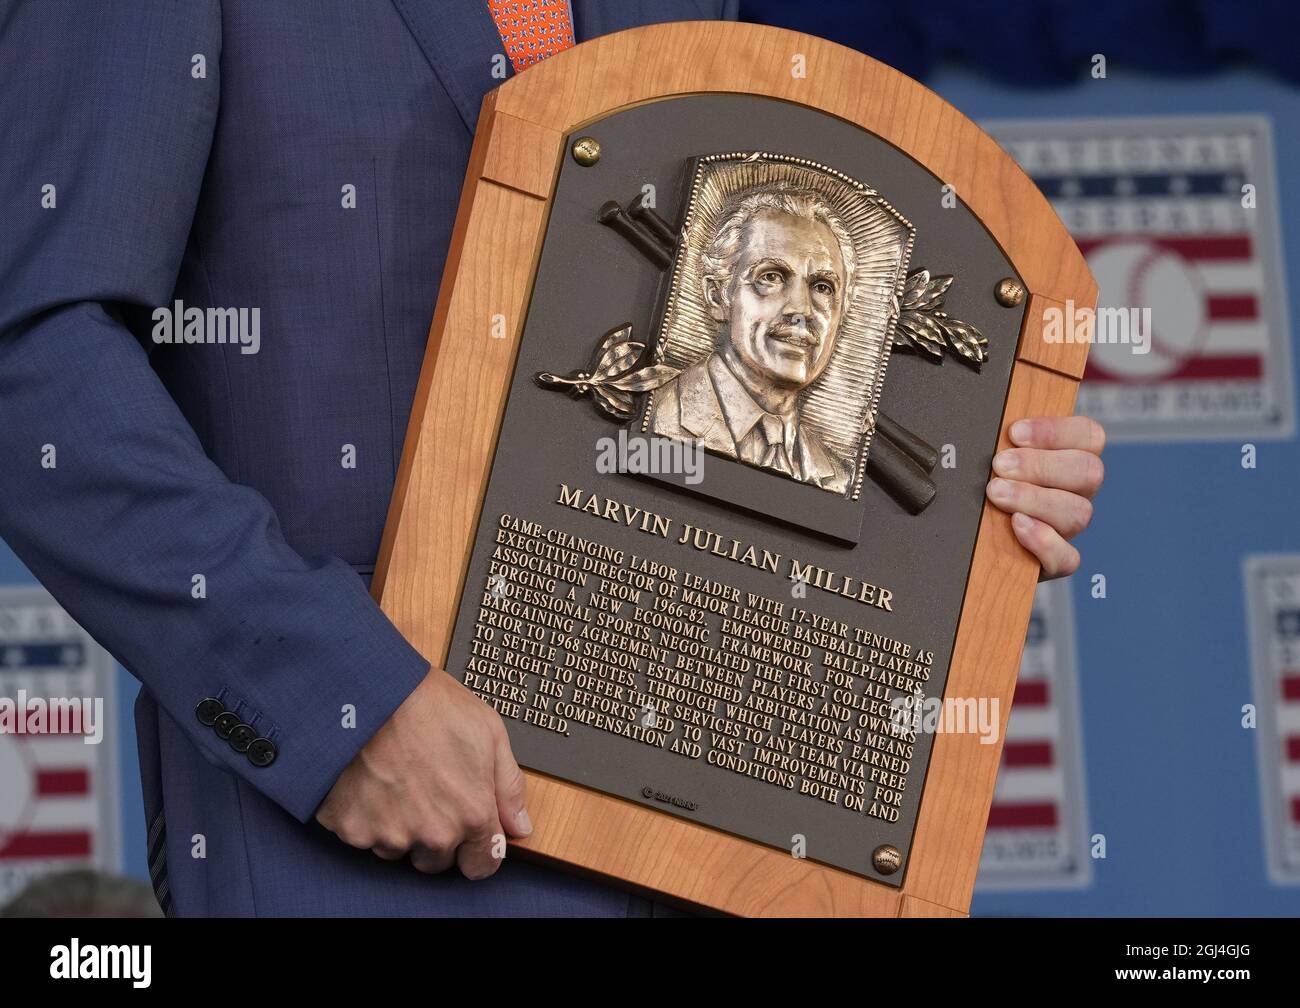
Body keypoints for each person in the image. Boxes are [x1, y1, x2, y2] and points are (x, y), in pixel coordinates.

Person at [0, 1, 1104, 917]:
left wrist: (976, 493)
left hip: (737, 856)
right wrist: (333, 702)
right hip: (376, 857)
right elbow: (30, 361)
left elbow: (715, 368)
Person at [650, 182, 852, 493]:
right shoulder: (657, 417)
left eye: (822, 287)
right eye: (771, 277)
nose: (802, 310)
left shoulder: (836, 477)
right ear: (718, 296)